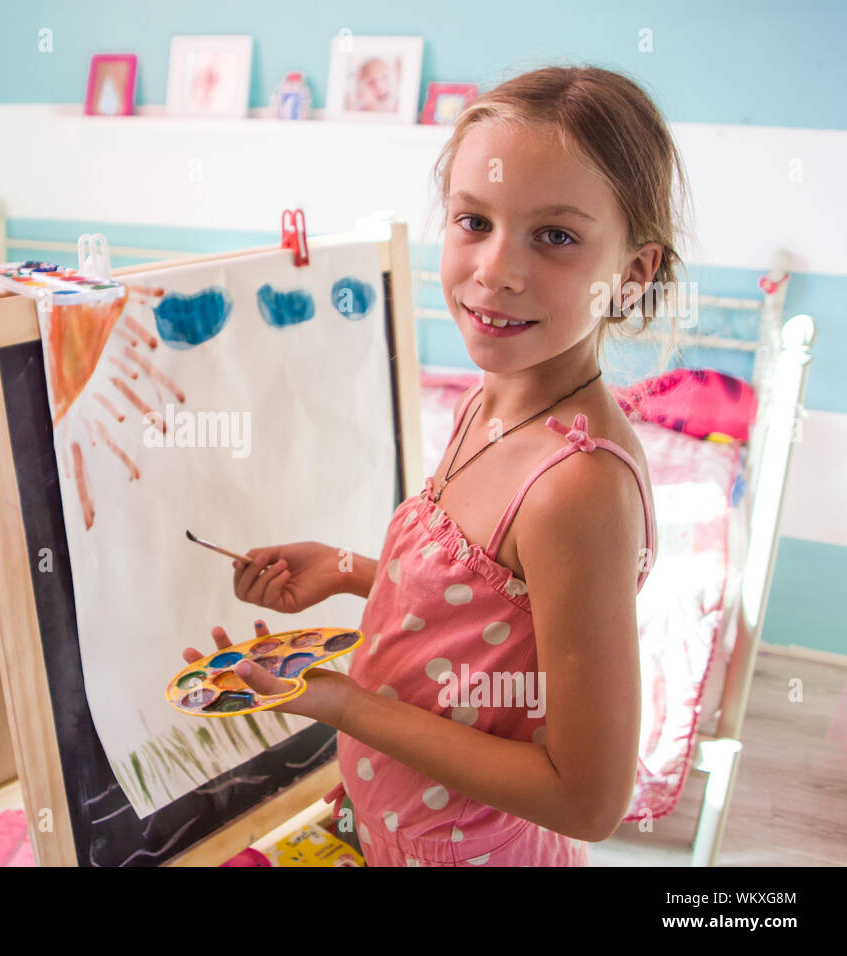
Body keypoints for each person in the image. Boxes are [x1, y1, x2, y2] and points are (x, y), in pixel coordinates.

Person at [182, 64, 692, 866]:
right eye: (473, 221)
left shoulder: (576, 488)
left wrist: (345, 705)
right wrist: (346, 570)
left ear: (631, 275)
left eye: (556, 237)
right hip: (385, 829)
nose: (495, 270)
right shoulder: (486, 406)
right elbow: (484, 609)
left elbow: (588, 799)